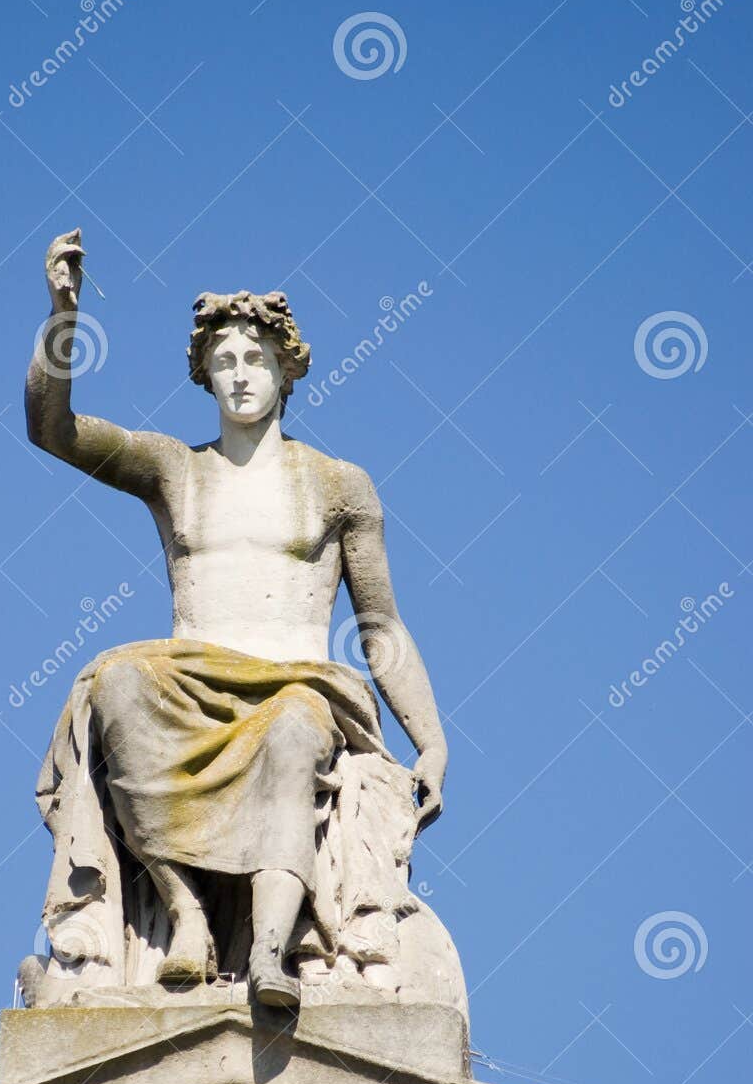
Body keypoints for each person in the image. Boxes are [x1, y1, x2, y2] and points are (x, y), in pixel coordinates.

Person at [25, 230, 448, 1008]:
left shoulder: (338, 483)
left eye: (256, 360)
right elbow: (52, 432)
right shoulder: (173, 468)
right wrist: (62, 320)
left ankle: (272, 952)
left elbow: (379, 626)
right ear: (204, 377)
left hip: (299, 683)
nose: (240, 375)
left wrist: (431, 739)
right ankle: (186, 915)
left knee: (293, 729)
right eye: (224, 362)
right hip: (188, 678)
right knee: (114, 683)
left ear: (288, 370)